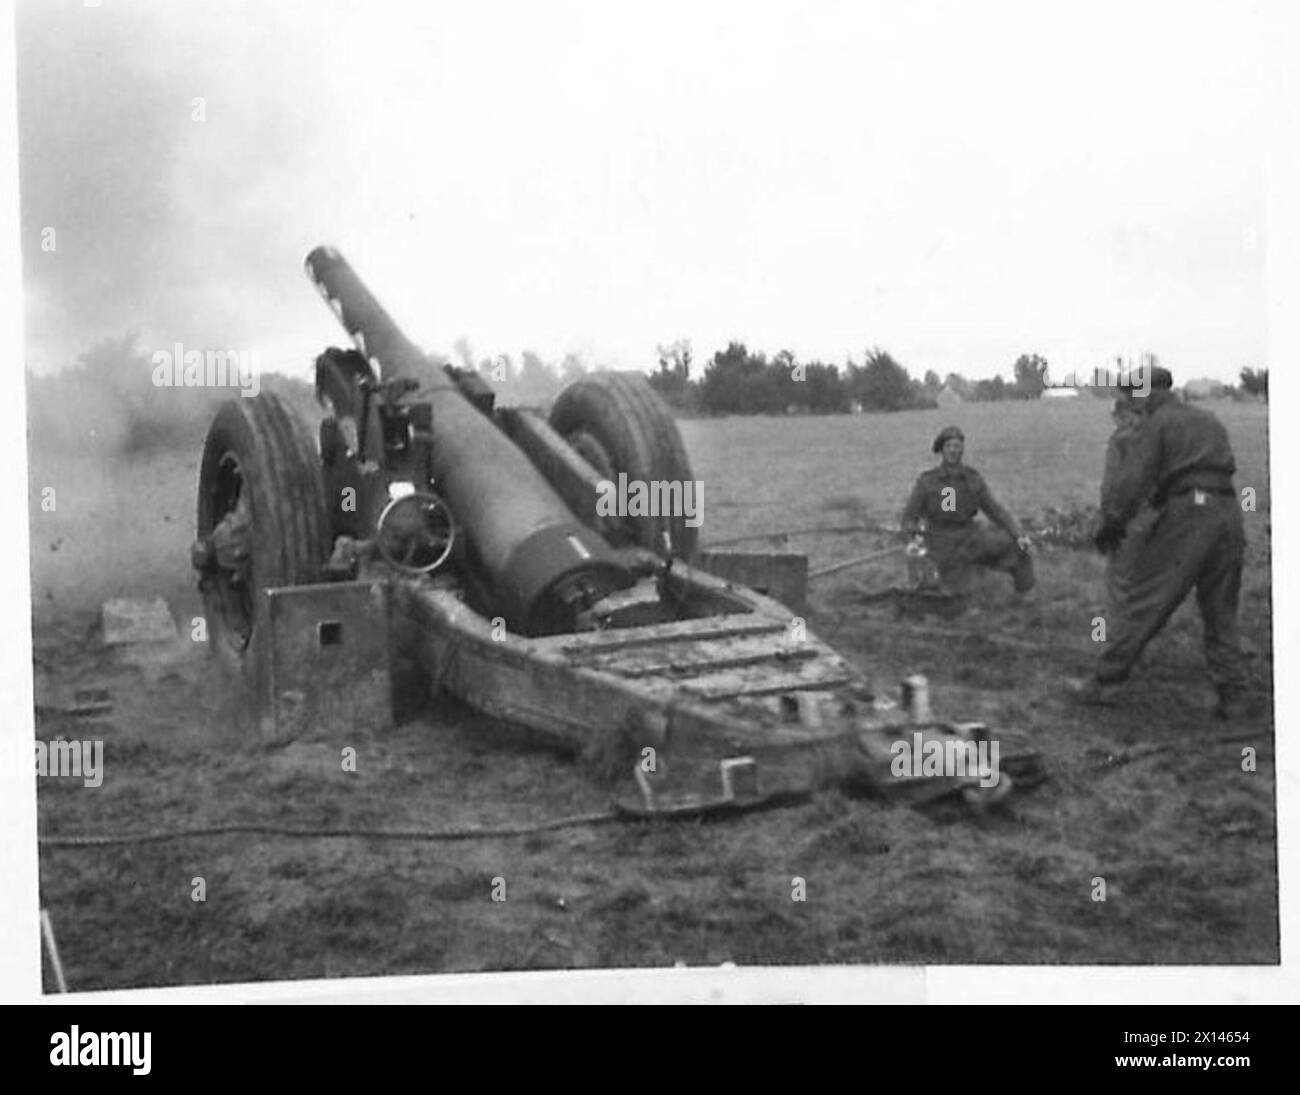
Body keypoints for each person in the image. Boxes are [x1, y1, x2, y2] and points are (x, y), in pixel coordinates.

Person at [1071, 367, 1248, 717]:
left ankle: (1105, 681)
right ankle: (1234, 695)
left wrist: (1113, 522)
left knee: (1145, 600)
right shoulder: (1208, 419)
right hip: (1229, 512)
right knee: (1221, 611)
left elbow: (1134, 480)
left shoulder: (1158, 423)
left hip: (1190, 516)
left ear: (1147, 392)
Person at [900, 426, 1035, 596]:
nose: (953, 451)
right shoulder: (927, 482)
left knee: (1015, 546)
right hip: (940, 542)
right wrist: (913, 539)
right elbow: (908, 518)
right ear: (942, 450)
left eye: (957, 446)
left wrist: (1018, 534)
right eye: (949, 446)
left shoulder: (972, 479)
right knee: (953, 595)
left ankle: (1026, 597)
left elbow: (995, 510)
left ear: (962, 449)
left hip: (970, 537)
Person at [1100, 390, 1153, 613]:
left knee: (1118, 579)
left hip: (1127, 519)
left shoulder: (1119, 441)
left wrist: (1109, 521)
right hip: (1158, 516)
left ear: (1123, 415)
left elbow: (1113, 484)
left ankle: (1118, 635)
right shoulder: (1156, 436)